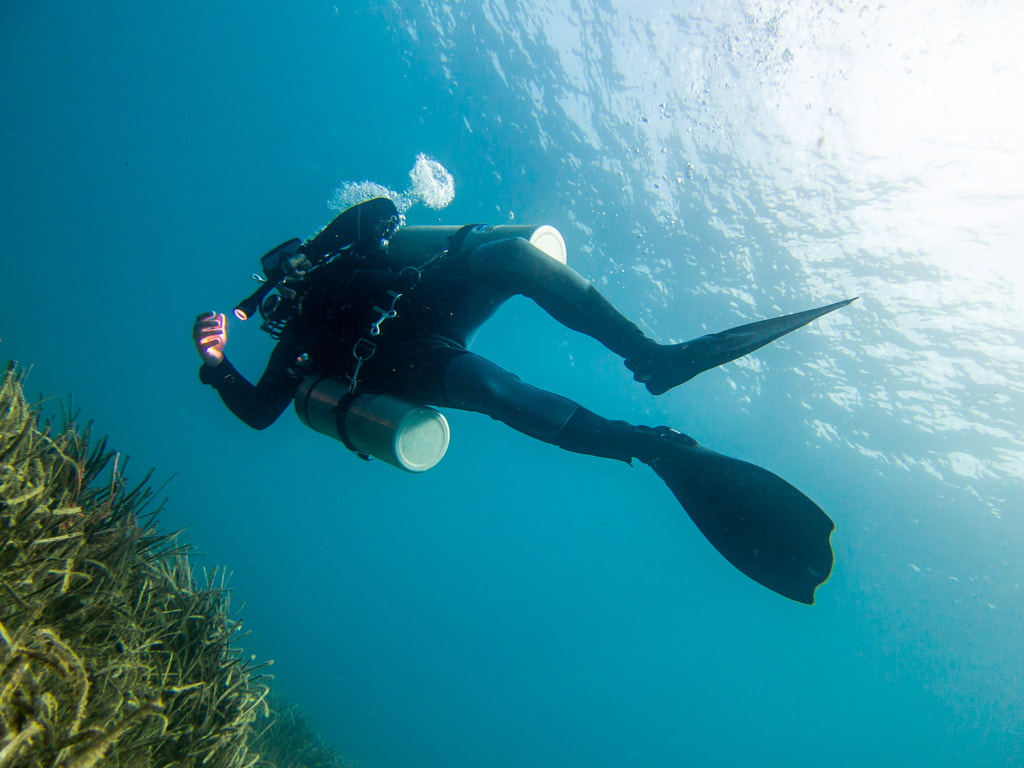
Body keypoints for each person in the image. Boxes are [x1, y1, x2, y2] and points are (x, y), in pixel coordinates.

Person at [194, 197, 854, 603]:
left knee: (512, 253)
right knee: (494, 391)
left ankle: (652, 357)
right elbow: (259, 413)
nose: (292, 270)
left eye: (291, 258)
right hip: (403, 365)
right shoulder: (297, 342)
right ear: (277, 303)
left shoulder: (352, 248)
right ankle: (646, 445)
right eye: (281, 273)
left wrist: (316, 245)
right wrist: (217, 365)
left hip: (429, 306)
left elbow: (380, 211)